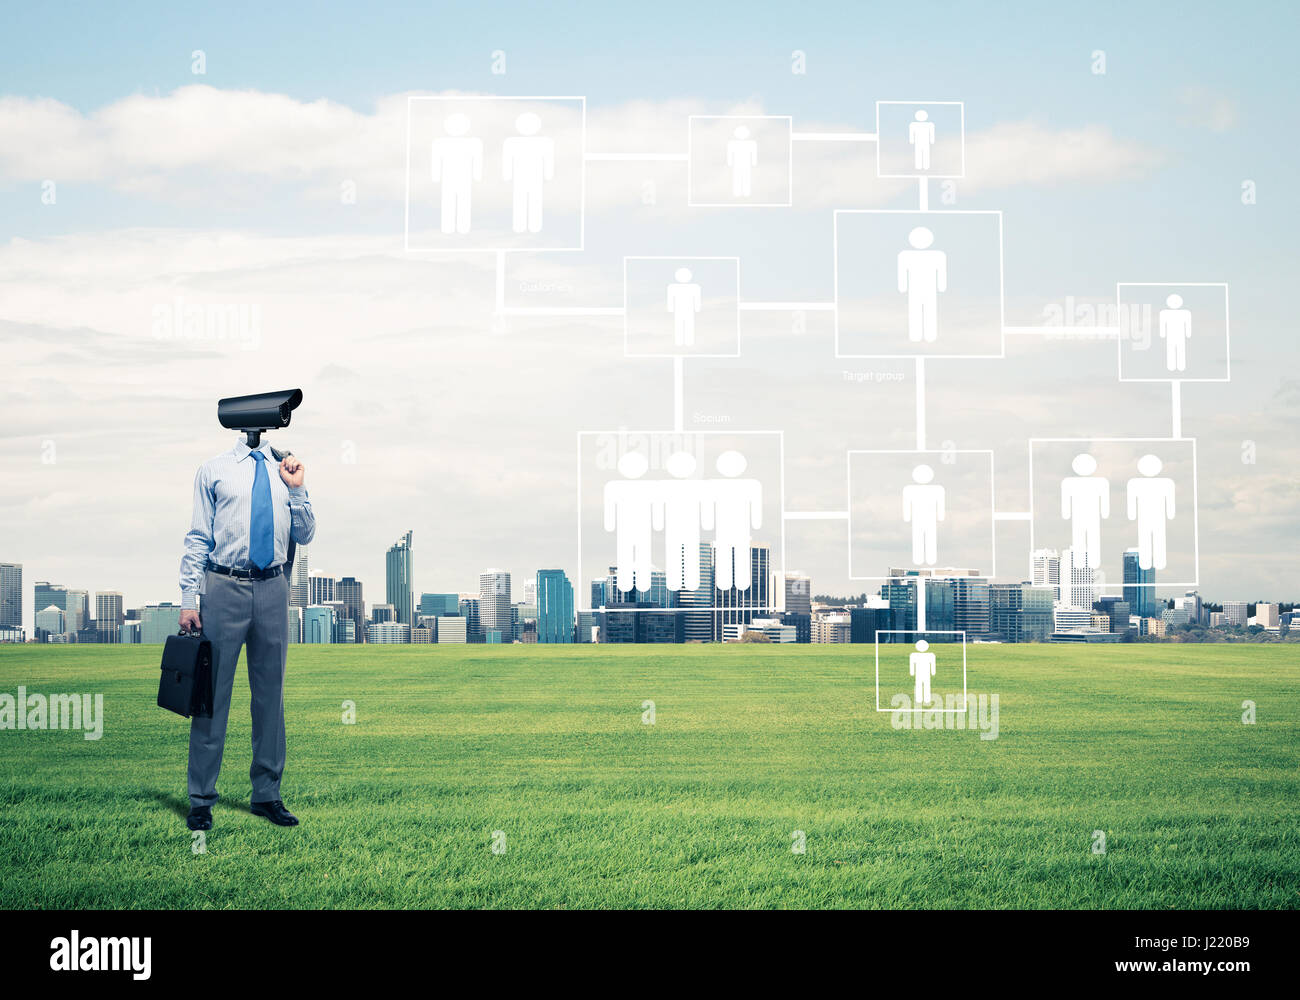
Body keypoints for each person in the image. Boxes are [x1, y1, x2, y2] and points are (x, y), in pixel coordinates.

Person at [177, 438, 315, 831]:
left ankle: (267, 795)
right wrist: (189, 598)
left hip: (274, 588)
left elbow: (305, 535)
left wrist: (298, 489)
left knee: (270, 697)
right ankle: (201, 799)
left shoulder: (285, 469)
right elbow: (199, 537)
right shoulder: (214, 469)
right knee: (211, 696)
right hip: (223, 587)